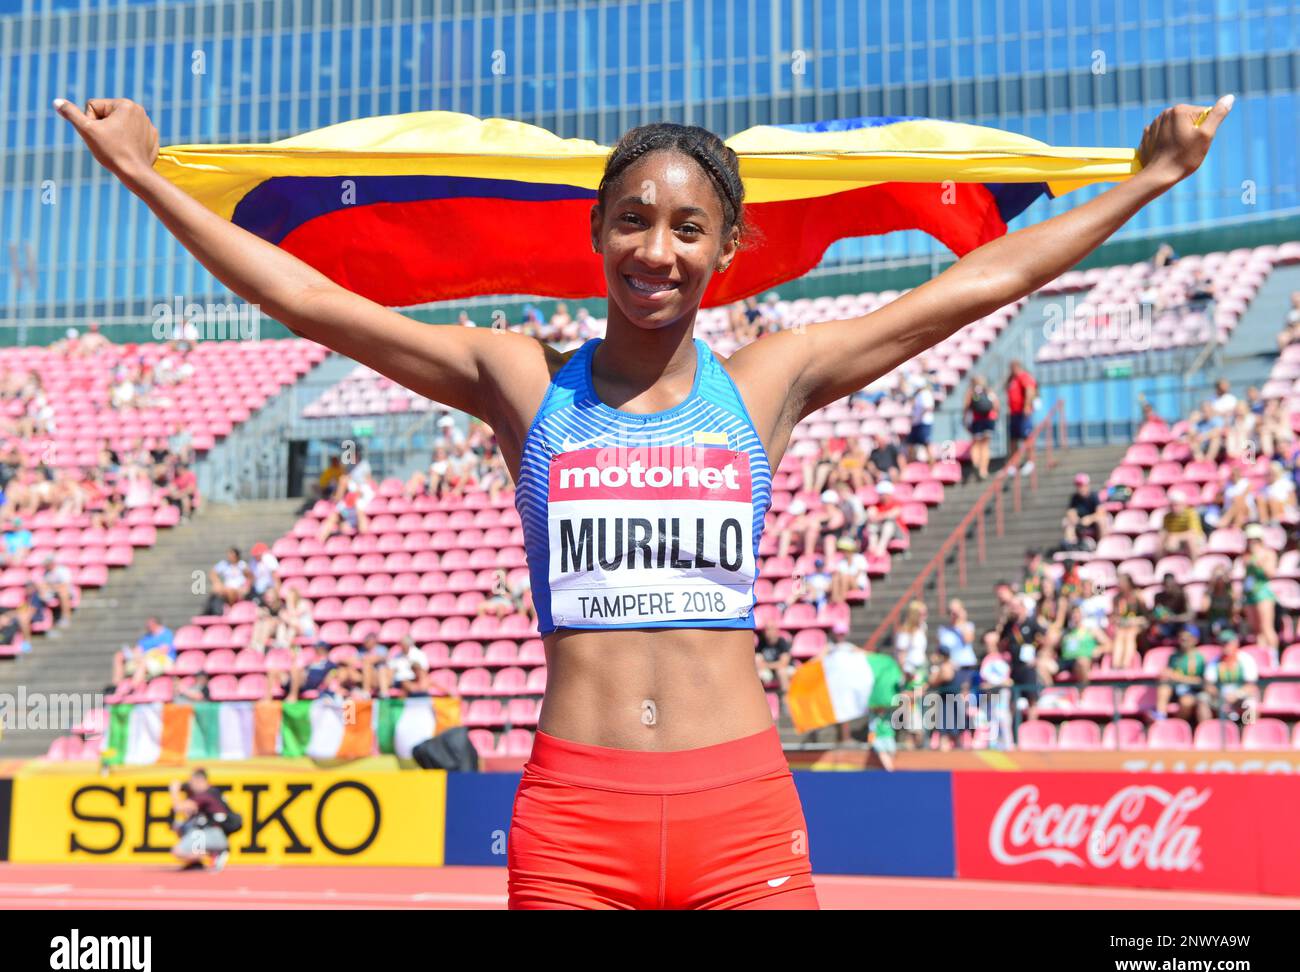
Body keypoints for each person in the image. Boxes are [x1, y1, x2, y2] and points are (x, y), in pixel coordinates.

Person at [58, 92, 1232, 909]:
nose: (655, 248)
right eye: (632, 219)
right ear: (595, 235)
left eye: (686, 226)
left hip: (741, 814)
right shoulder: (520, 382)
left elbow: (985, 281)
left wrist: (1148, 182)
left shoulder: (773, 382)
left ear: (726, 247)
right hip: (573, 823)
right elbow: (315, 305)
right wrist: (147, 179)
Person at [168, 768, 233, 872]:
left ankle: (215, 853)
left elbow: (179, 808)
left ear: (200, 780)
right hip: (210, 833)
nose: (189, 784)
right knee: (180, 826)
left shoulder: (205, 795)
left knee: (178, 851)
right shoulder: (213, 792)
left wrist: (174, 791)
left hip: (212, 834)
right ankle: (196, 862)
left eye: (191, 781)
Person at [1154, 625, 1210, 723]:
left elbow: (1200, 681)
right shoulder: (1174, 656)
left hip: (1191, 691)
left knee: (1186, 701)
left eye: (1186, 638)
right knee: (1164, 685)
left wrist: (1177, 677)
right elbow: (1169, 673)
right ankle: (1160, 716)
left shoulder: (1199, 658)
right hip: (1175, 690)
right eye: (1181, 638)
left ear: (1195, 640)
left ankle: (1177, 726)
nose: (1183, 641)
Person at [1203, 630, 1259, 722]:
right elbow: (1208, 685)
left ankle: (1250, 730)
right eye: (1223, 643)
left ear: (1236, 643)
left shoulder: (1246, 659)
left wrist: (1236, 695)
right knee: (1203, 700)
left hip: (1240, 696)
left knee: (1250, 703)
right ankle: (1207, 730)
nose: (1225, 646)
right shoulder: (1214, 661)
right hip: (1220, 697)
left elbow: (1251, 685)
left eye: (1228, 643)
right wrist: (1220, 695)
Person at [1241, 524, 1278, 655]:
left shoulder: (1268, 553)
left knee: (1267, 628)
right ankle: (1262, 658)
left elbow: (1270, 573)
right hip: (1250, 594)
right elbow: (1247, 576)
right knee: (1257, 631)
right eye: (1249, 540)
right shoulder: (1246, 555)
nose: (1252, 543)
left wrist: (1259, 561)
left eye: (1254, 540)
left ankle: (1274, 659)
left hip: (1263, 593)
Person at [1004, 359, 1038, 475]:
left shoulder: (1024, 377)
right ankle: (1013, 463)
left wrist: (1027, 406)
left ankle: (1030, 461)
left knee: (1027, 437)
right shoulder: (1012, 379)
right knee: (1013, 439)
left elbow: (1030, 390)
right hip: (1014, 413)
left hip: (1022, 413)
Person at [1062, 472, 1109, 550]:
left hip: (1093, 523)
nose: (1080, 488)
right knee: (1066, 522)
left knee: (1101, 521)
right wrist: (1074, 518)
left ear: (1087, 485)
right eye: (1078, 485)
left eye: (1081, 485)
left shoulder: (1094, 496)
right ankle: (1072, 546)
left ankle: (1101, 547)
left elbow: (1101, 512)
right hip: (1080, 524)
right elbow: (1070, 512)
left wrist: (1089, 519)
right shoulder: (1074, 498)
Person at [963, 374, 997, 480]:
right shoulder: (988, 391)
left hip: (977, 420)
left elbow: (966, 407)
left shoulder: (971, 392)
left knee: (976, 444)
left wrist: (965, 420)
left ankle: (976, 463)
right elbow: (996, 405)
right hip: (989, 419)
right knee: (985, 445)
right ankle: (984, 471)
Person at [754, 620, 793, 695]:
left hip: (787, 669)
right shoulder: (761, 643)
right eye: (767, 629)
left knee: (781, 672)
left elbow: (783, 664)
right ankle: (761, 698)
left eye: (771, 628)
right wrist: (765, 666)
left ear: (776, 630)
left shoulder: (782, 642)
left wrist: (767, 665)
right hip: (769, 670)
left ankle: (785, 700)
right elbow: (759, 662)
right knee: (759, 675)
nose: (769, 631)